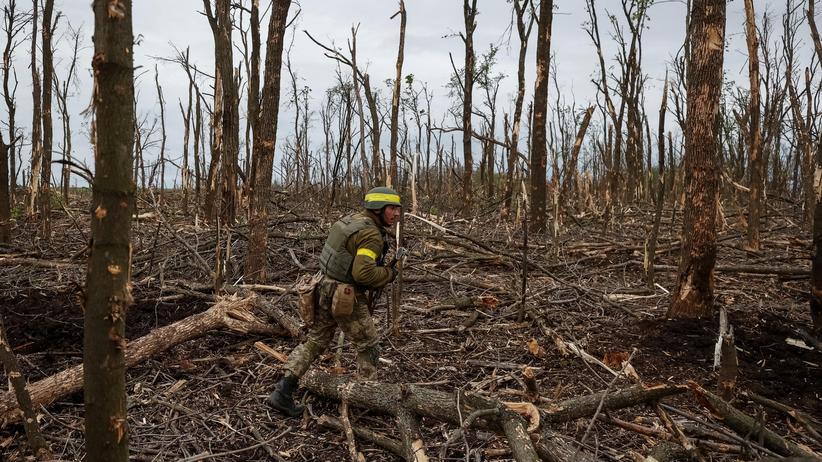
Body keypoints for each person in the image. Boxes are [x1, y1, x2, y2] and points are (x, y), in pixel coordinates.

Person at [268, 186, 402, 417]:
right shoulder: (371, 235)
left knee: (315, 341)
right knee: (368, 346)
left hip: (324, 287)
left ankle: (282, 391)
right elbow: (364, 275)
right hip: (345, 296)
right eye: (392, 208)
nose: (397, 213)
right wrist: (390, 274)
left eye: (397, 208)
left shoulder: (350, 221)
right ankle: (366, 400)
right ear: (378, 210)